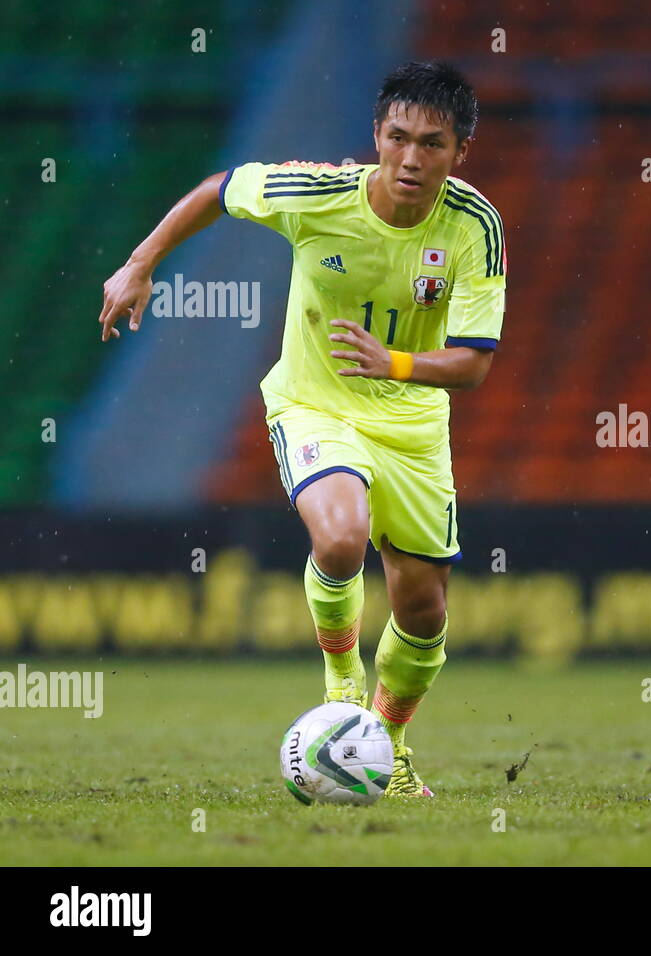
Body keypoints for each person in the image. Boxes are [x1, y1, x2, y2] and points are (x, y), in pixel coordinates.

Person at [98, 61, 507, 798]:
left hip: (412, 424)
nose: (411, 158)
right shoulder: (315, 194)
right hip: (316, 403)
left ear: (460, 151)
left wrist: (396, 363)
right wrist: (138, 262)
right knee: (342, 535)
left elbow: (474, 365)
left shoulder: (475, 226)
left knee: (423, 609)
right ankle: (341, 683)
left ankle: (387, 743)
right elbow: (219, 191)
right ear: (376, 136)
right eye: (398, 137)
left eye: (433, 144)